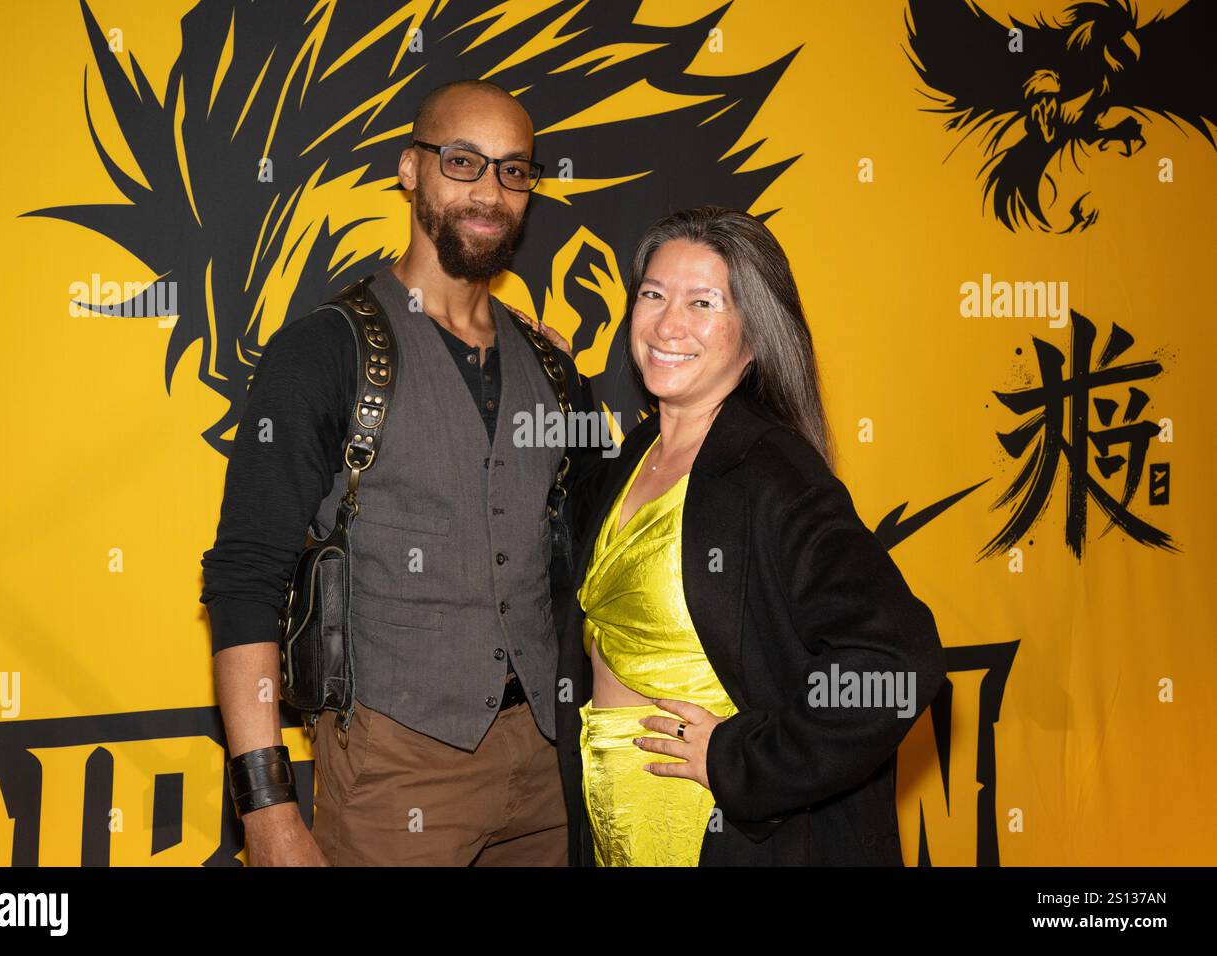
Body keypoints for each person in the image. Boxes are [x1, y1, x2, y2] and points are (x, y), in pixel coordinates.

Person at [202, 78, 603, 866]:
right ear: (410, 170)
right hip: (397, 770)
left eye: (514, 170)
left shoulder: (551, 367)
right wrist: (267, 807)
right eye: (463, 161)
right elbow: (246, 576)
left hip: (550, 764)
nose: (490, 190)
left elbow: (616, 540)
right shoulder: (321, 352)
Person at [553, 205, 949, 865]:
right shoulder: (643, 451)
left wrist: (745, 760)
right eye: (653, 294)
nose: (668, 323)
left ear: (754, 334)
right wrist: (564, 385)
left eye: (703, 303)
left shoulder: (774, 471)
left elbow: (901, 665)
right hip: (620, 826)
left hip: (712, 833)